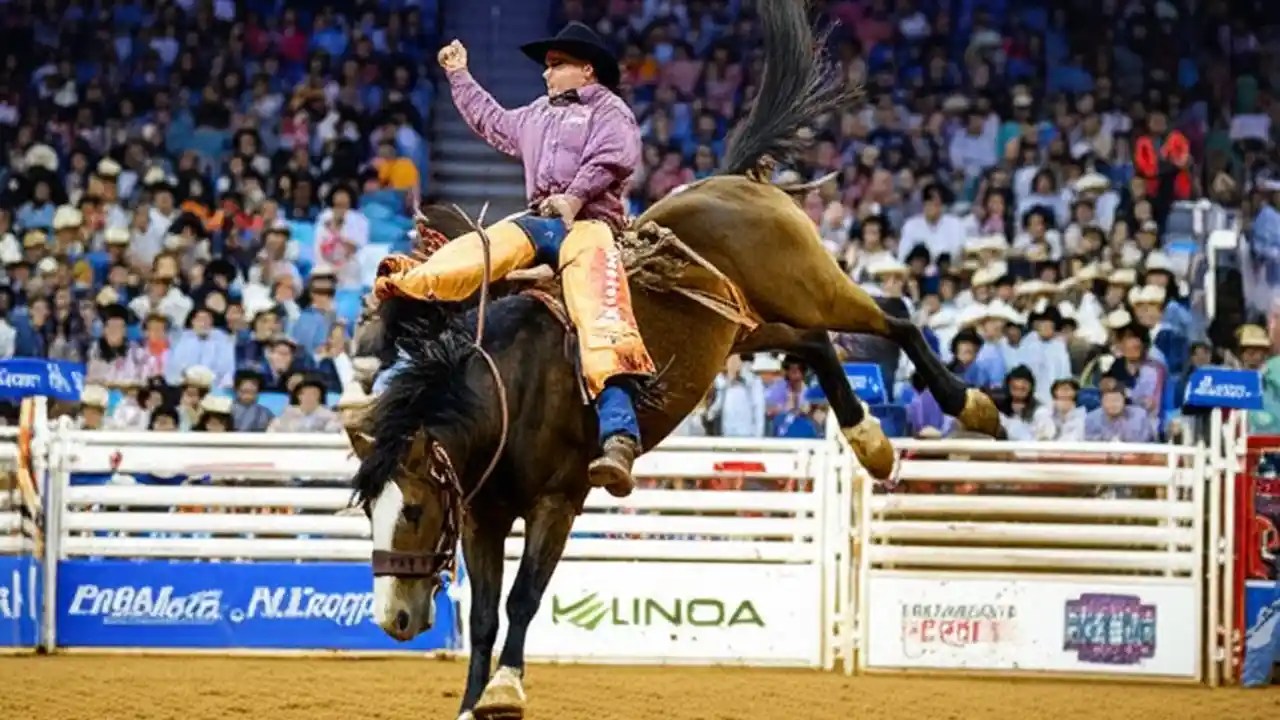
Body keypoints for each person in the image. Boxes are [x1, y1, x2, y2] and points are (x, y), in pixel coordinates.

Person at [374, 23, 655, 497]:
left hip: (590, 225)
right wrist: (460, 76)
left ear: (586, 70)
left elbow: (614, 157)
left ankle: (619, 436)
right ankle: (401, 290)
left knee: (599, 311)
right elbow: (492, 120)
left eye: (556, 65)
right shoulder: (537, 114)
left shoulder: (611, 110)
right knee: (470, 253)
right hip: (537, 220)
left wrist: (572, 197)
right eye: (547, 67)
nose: (547, 74)